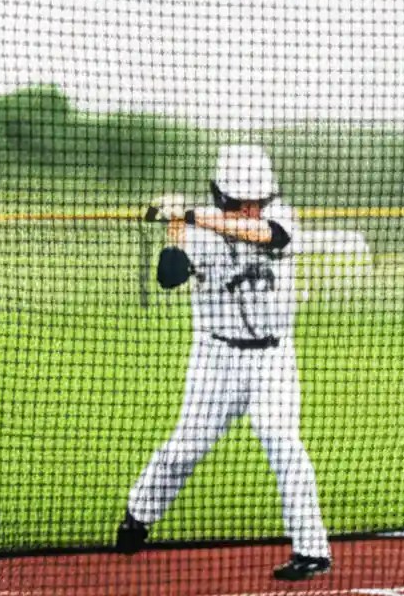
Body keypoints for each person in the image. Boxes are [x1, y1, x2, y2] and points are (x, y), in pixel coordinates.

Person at [117, 144, 331, 581]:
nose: (251, 209)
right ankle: (138, 515)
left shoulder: (283, 218)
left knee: (284, 444)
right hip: (215, 360)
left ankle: (312, 550)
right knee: (184, 450)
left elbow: (273, 237)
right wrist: (176, 226)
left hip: (274, 358)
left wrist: (191, 214)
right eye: (241, 202)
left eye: (257, 201)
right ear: (222, 197)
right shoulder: (198, 233)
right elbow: (169, 276)